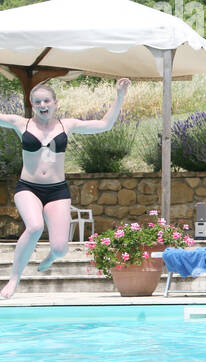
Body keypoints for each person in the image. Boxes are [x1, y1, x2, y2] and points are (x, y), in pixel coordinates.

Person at [1, 79, 130, 298]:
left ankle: (52, 255)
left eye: (47, 100)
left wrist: (119, 97)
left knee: (61, 248)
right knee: (34, 227)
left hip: (57, 191)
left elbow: (104, 125)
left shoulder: (66, 125)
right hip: (28, 188)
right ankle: (14, 279)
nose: (43, 105)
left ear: (55, 103)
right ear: (32, 105)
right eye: (38, 101)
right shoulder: (20, 123)